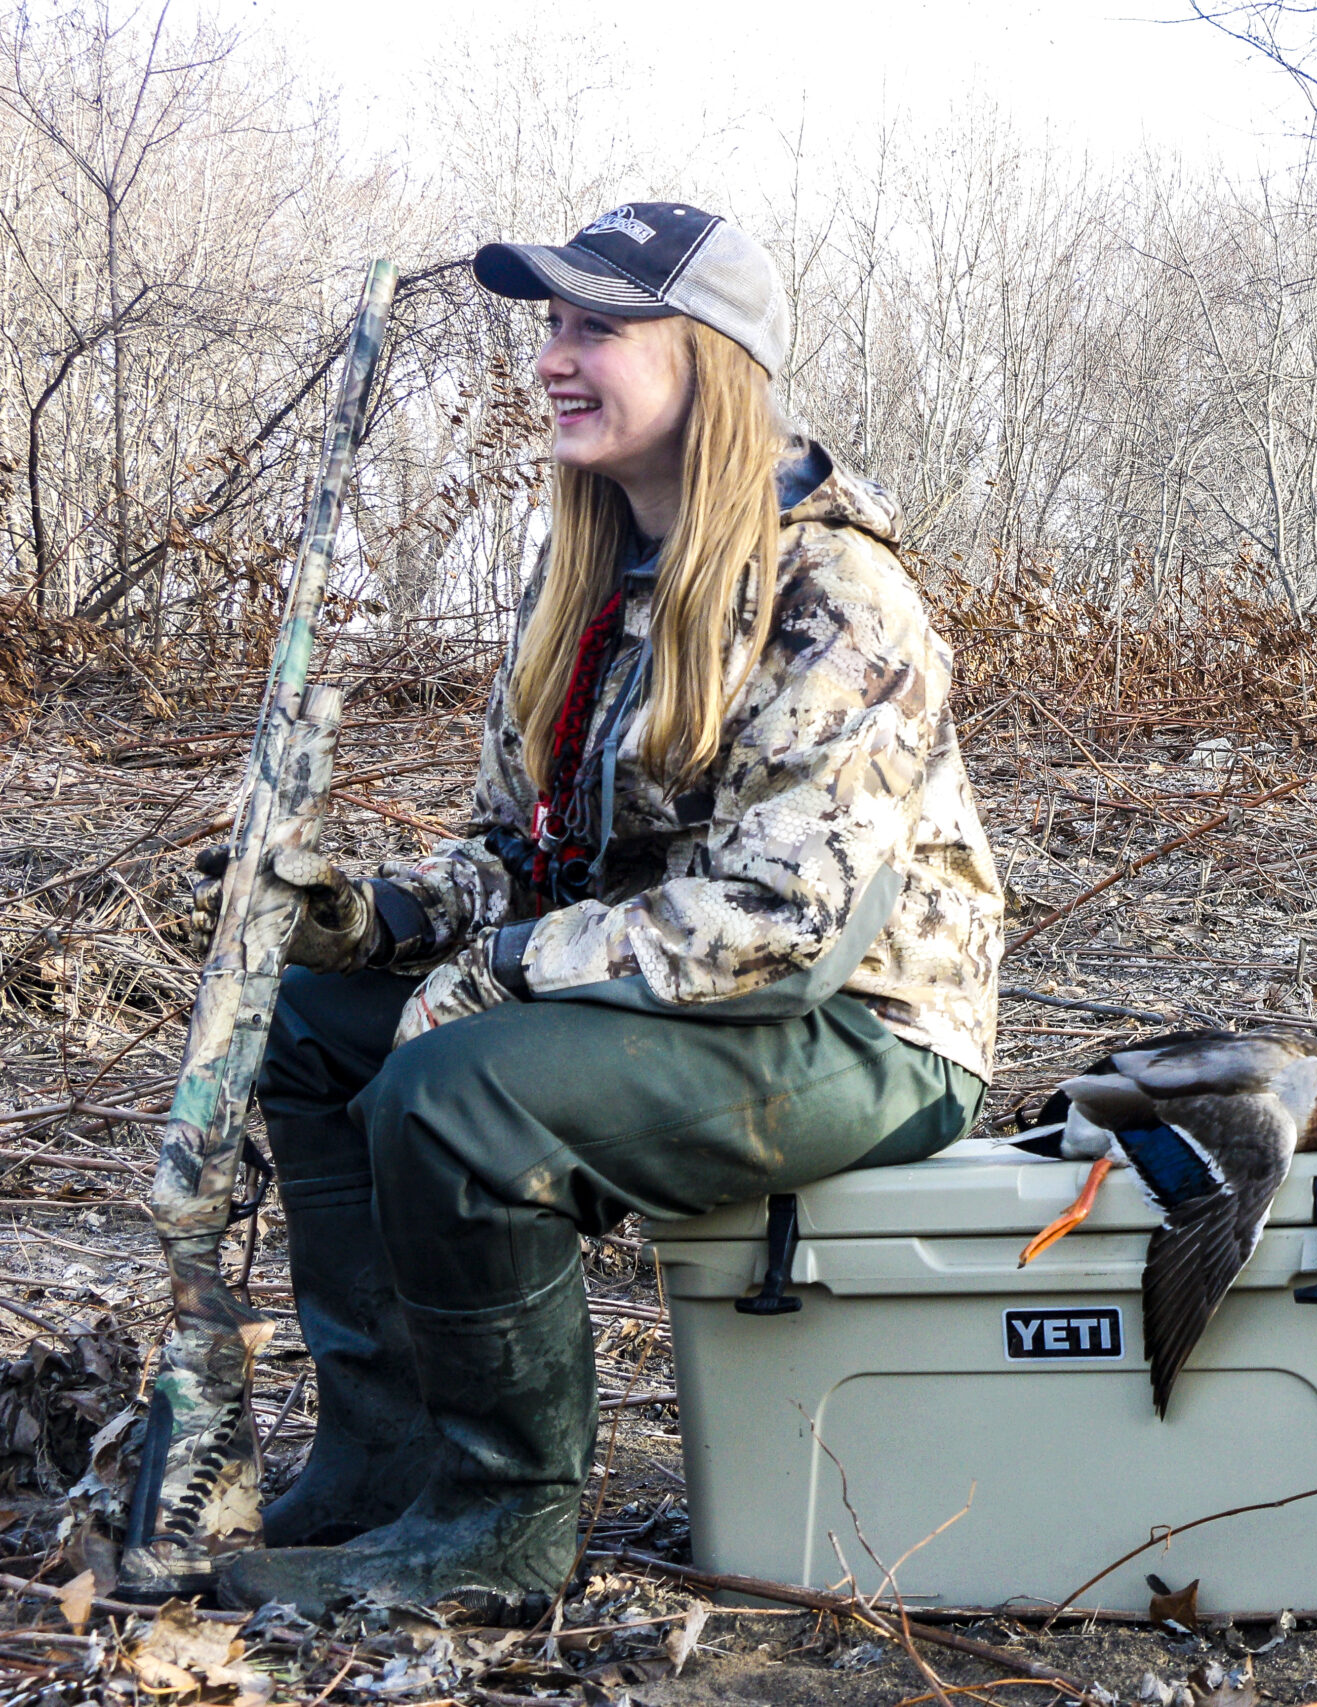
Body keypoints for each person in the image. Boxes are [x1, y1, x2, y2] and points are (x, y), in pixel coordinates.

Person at [196, 202, 1004, 1616]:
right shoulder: (588, 580)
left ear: (712, 357)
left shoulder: (836, 594)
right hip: (684, 989)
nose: (556, 359)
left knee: (455, 1095)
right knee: (315, 1023)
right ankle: (385, 1458)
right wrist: (366, 918)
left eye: (600, 327)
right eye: (551, 326)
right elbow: (528, 849)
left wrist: (501, 976)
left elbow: (783, 917)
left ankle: (504, 1519)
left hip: (863, 1031)